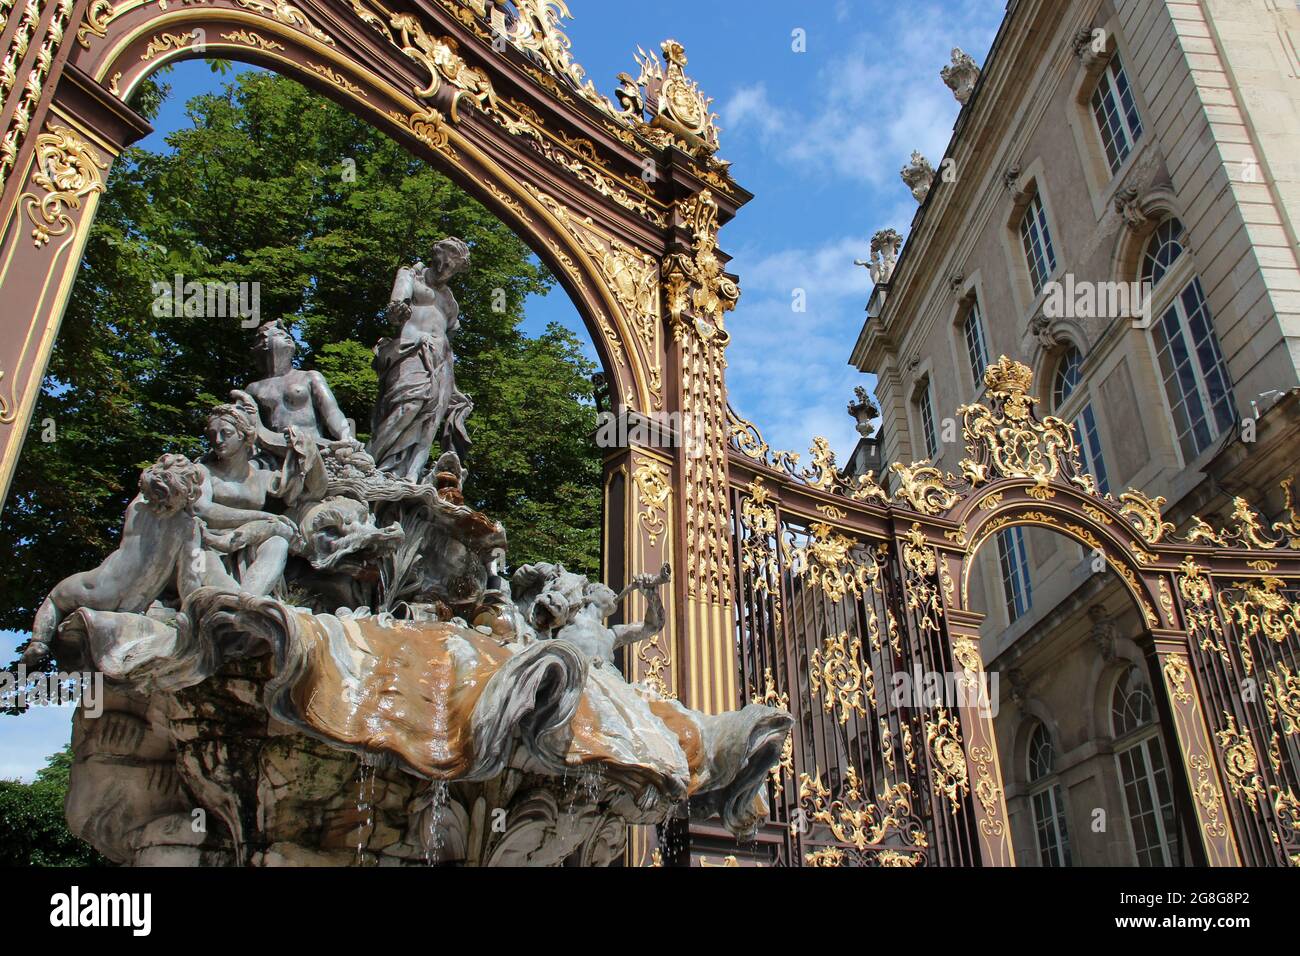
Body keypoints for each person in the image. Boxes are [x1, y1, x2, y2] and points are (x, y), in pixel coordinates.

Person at [23, 454, 205, 666]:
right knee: (56, 597)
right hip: (134, 604)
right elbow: (189, 581)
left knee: (55, 598)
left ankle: (39, 642)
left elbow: (149, 483)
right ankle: (40, 642)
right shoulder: (189, 528)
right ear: (189, 493)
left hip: (101, 588)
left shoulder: (137, 508)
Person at [368, 238, 474, 481]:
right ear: (435, 256)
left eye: (453, 267)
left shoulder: (450, 300)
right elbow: (396, 310)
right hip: (412, 349)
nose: (445, 269)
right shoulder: (411, 276)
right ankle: (370, 461)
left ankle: (412, 479)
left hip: (442, 359)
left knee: (430, 421)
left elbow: (449, 332)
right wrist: (398, 310)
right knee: (409, 405)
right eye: (443, 261)